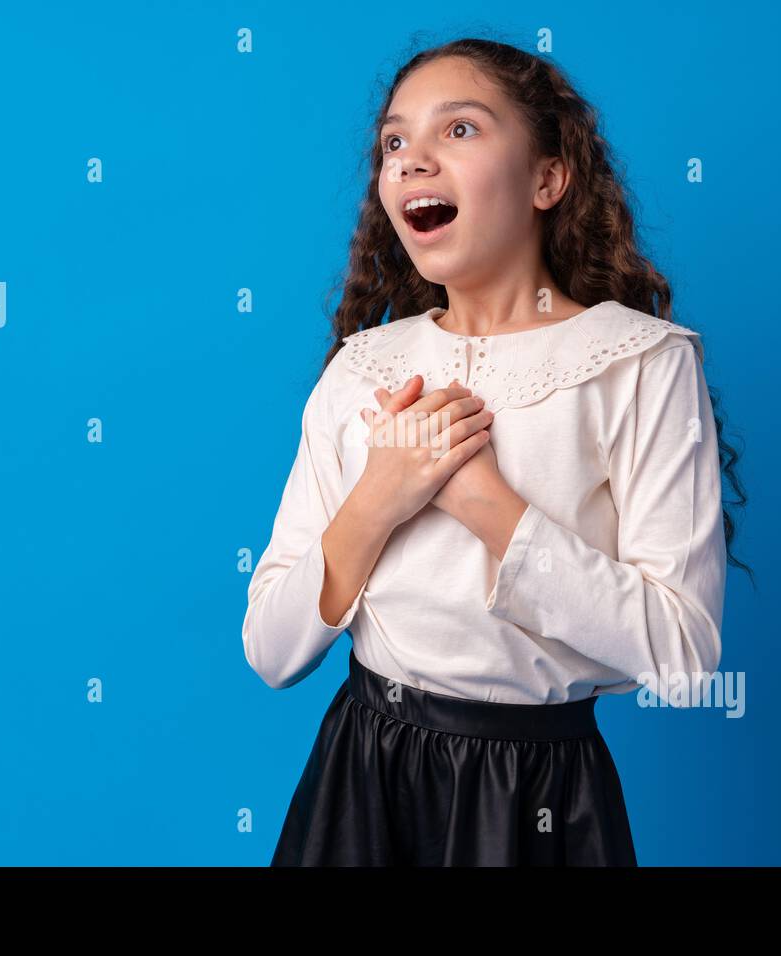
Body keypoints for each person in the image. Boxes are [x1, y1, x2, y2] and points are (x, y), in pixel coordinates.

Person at [242, 38, 750, 866]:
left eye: (461, 131)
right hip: (359, 784)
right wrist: (380, 497)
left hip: (539, 803)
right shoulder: (364, 370)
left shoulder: (643, 362)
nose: (412, 162)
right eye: (395, 143)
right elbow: (271, 650)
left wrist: (483, 500)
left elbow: (685, 656)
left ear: (548, 179)